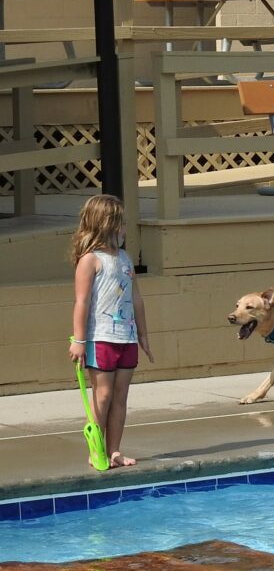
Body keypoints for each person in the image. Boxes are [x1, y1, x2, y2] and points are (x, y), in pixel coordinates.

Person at [67, 194, 152, 469]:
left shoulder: (126, 259)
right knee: (102, 395)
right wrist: (79, 340)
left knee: (120, 397)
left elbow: (136, 297)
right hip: (100, 338)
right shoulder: (90, 260)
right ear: (104, 225)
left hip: (126, 338)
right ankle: (96, 450)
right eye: (121, 223)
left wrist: (143, 335)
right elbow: (81, 301)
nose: (125, 228)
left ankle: (114, 450)